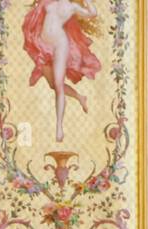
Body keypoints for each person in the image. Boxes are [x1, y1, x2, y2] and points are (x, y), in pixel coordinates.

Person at [22, 0, 101, 142]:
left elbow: (93, 13)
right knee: (53, 85)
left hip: (60, 44)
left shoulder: (73, 6)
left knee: (58, 86)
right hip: (42, 45)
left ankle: (59, 127)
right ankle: (80, 97)